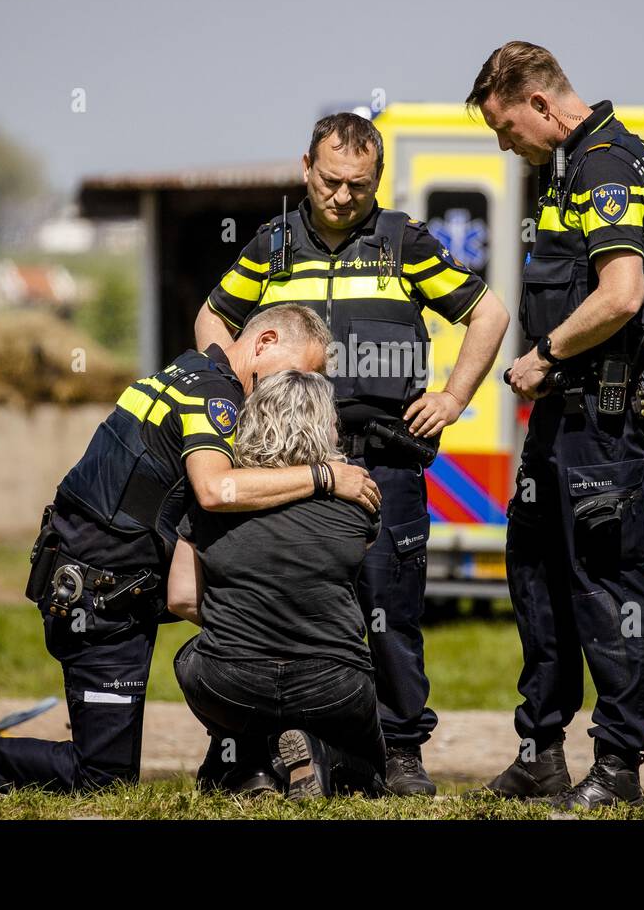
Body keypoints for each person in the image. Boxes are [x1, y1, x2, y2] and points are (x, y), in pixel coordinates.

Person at [0, 303, 380, 794]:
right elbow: (216, 490)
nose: (297, 387)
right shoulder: (213, 395)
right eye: (300, 371)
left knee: (244, 645)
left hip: (107, 583)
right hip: (99, 599)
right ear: (263, 342)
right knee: (102, 775)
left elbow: (211, 319)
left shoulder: (191, 370)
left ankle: (241, 768)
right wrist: (323, 475)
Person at [195, 112, 510, 795]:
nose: (343, 197)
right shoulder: (271, 245)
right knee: (275, 602)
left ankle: (399, 752)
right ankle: (266, 751)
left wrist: (454, 399)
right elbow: (213, 318)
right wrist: (230, 395)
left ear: (378, 182)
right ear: (305, 167)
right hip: (283, 466)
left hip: (382, 465)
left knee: (389, 607)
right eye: (332, 181)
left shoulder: (405, 243)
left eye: (359, 187)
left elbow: (489, 313)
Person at [467, 41, 644, 809]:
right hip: (568, 410)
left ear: (541, 105)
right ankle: (540, 754)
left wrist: (546, 352)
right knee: (537, 573)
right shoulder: (571, 166)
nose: (504, 144)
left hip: (602, 408)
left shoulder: (604, 164)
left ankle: (619, 770)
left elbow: (622, 294)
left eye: (505, 128)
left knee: (607, 582)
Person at [168, 369, 386, 798]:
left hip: (227, 679)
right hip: (334, 683)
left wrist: (246, 625)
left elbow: (179, 599)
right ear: (324, 427)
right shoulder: (359, 502)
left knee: (190, 660)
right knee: (373, 772)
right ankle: (321, 755)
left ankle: (253, 767)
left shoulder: (212, 501)